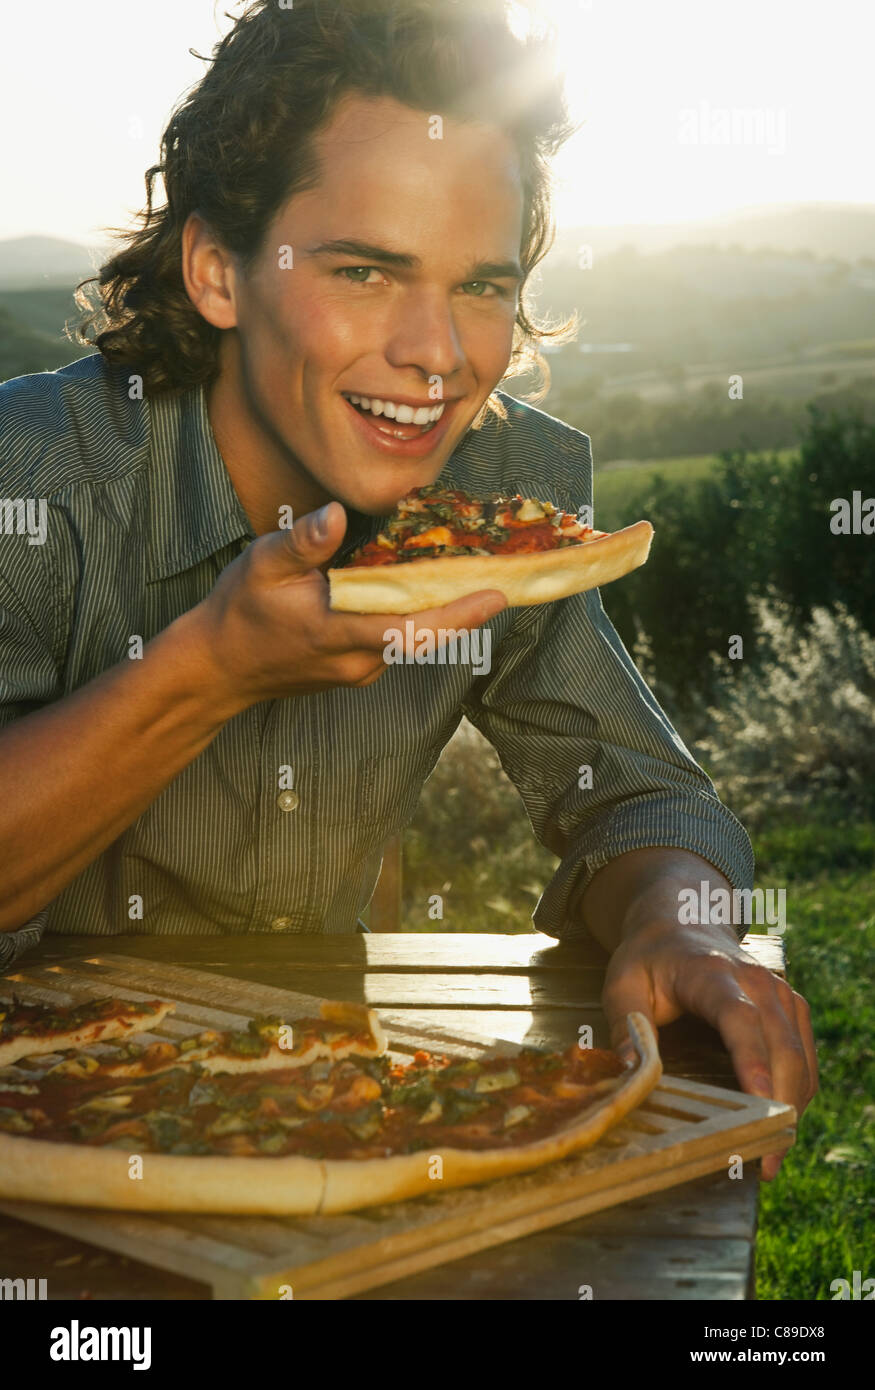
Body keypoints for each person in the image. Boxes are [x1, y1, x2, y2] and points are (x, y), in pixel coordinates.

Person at [0, 0, 815, 1179]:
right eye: (367, 270)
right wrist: (205, 669)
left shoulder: (499, 495)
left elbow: (636, 801)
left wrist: (680, 925)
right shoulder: (35, 480)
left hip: (322, 1107)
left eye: (481, 285)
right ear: (218, 270)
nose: (437, 354)